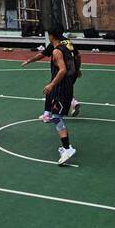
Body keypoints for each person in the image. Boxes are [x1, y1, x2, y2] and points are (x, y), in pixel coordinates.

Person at [40, 29, 78, 166]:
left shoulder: (57, 51)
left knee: (56, 117)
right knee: (59, 117)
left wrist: (51, 85)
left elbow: (62, 69)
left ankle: (67, 149)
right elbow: (74, 64)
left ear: (51, 36)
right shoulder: (66, 48)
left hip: (60, 90)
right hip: (67, 88)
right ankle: (67, 146)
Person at [21, 34, 82, 116]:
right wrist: (77, 69)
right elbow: (78, 56)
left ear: (52, 36)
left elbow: (42, 55)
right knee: (64, 91)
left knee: (51, 89)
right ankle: (73, 103)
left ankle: (48, 114)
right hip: (71, 71)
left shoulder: (56, 46)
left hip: (61, 72)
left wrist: (29, 61)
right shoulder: (68, 42)